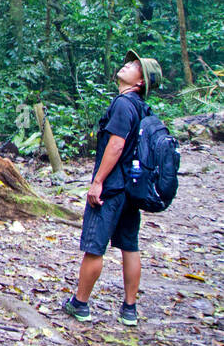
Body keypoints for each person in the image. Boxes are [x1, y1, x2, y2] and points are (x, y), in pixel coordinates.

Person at [62, 49, 162, 327]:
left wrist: (98, 182)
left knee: (95, 246)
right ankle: (129, 309)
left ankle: (80, 304)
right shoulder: (143, 108)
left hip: (113, 187)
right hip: (133, 187)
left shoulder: (123, 104)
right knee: (130, 246)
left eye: (134, 65)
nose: (127, 65)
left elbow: (117, 145)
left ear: (140, 82)